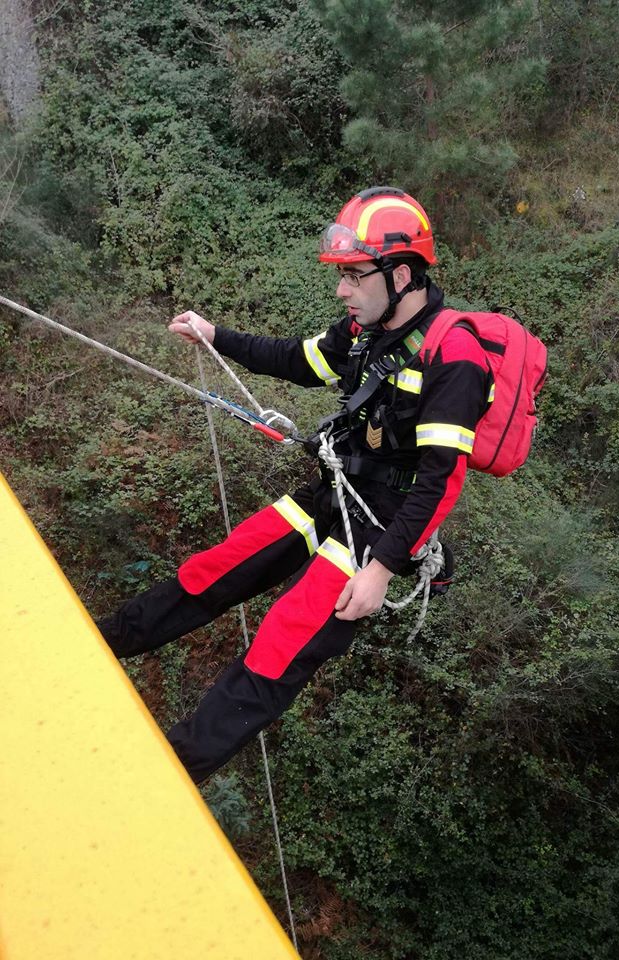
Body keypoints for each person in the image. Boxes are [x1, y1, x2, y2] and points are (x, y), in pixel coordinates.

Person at [98, 186, 491, 783]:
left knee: (280, 643)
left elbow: (440, 482)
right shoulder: (364, 330)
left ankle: (164, 776)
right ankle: (99, 643)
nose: (342, 290)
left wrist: (381, 570)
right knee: (219, 566)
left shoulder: (454, 355)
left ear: (401, 275)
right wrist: (216, 335)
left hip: (383, 527)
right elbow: (298, 360)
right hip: (338, 489)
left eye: (354, 276)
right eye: (342, 276)